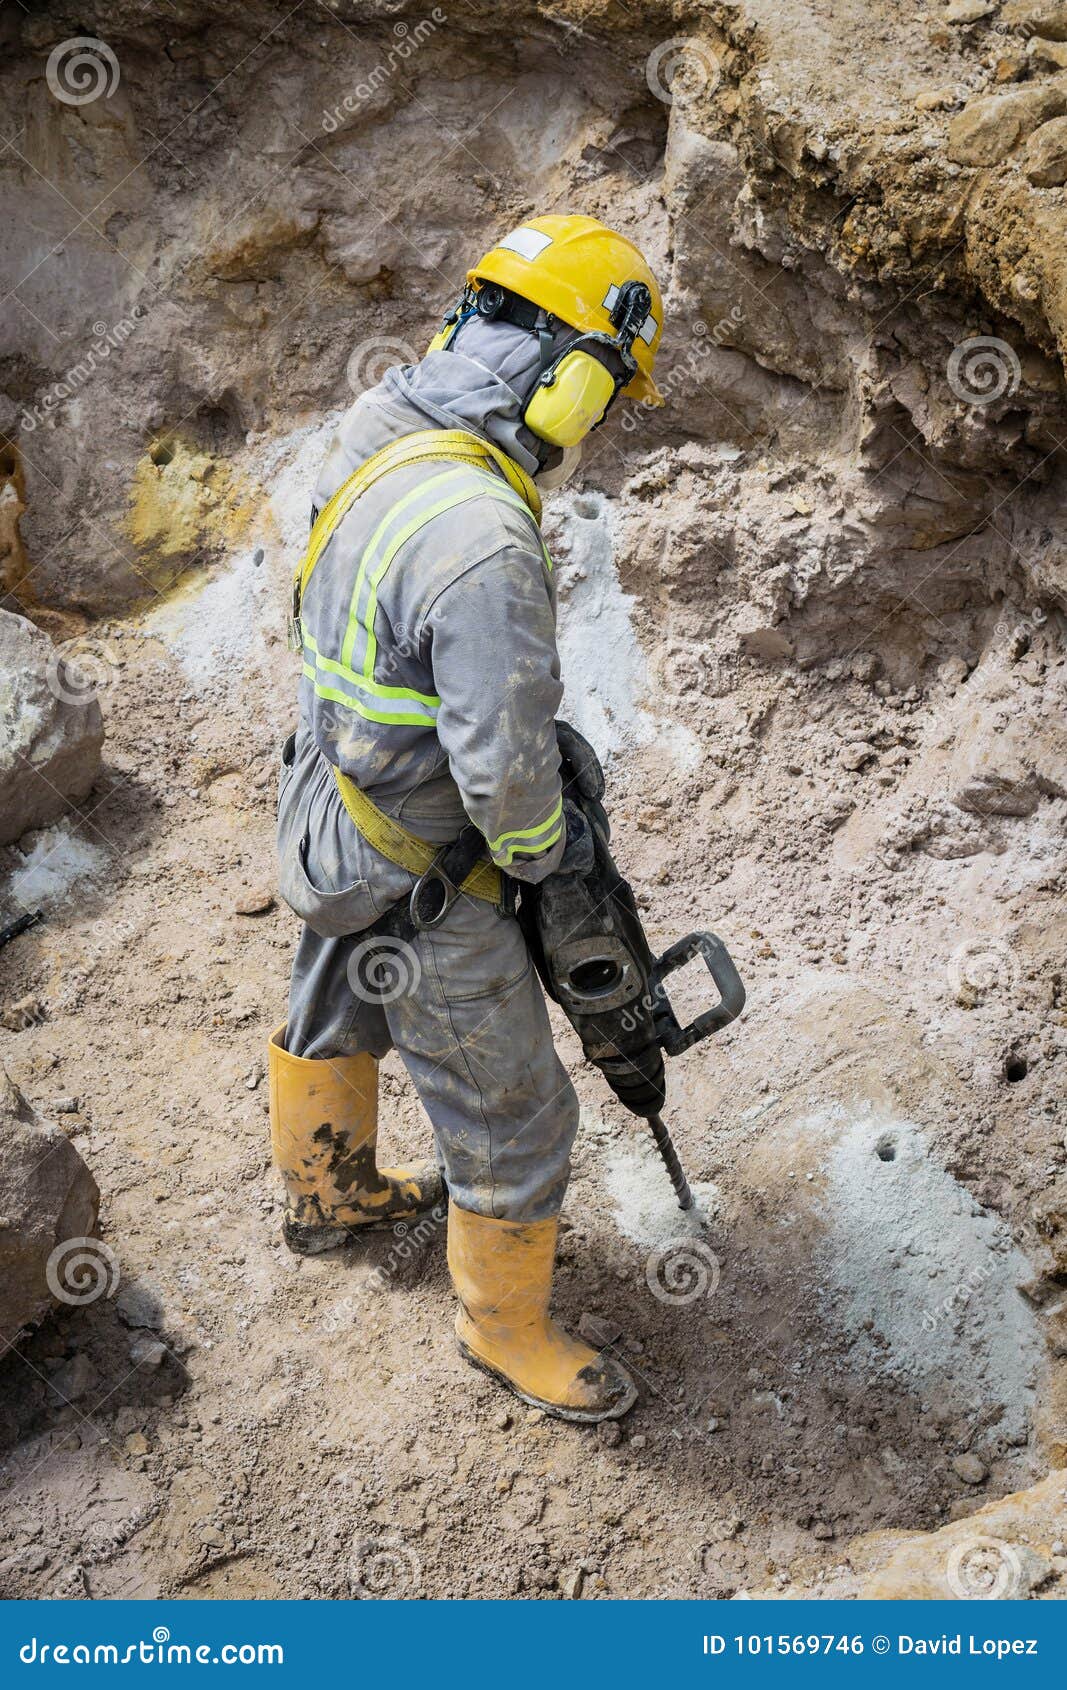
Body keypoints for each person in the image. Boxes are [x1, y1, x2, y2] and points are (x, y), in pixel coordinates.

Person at [271, 214, 663, 1423]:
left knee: (337, 994)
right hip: (426, 862)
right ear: (574, 374)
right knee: (512, 1104)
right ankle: (506, 1329)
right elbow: (500, 774)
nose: (596, 426)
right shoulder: (484, 534)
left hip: (331, 809)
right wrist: (550, 870)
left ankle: (324, 1194)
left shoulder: (381, 425)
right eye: (603, 392)